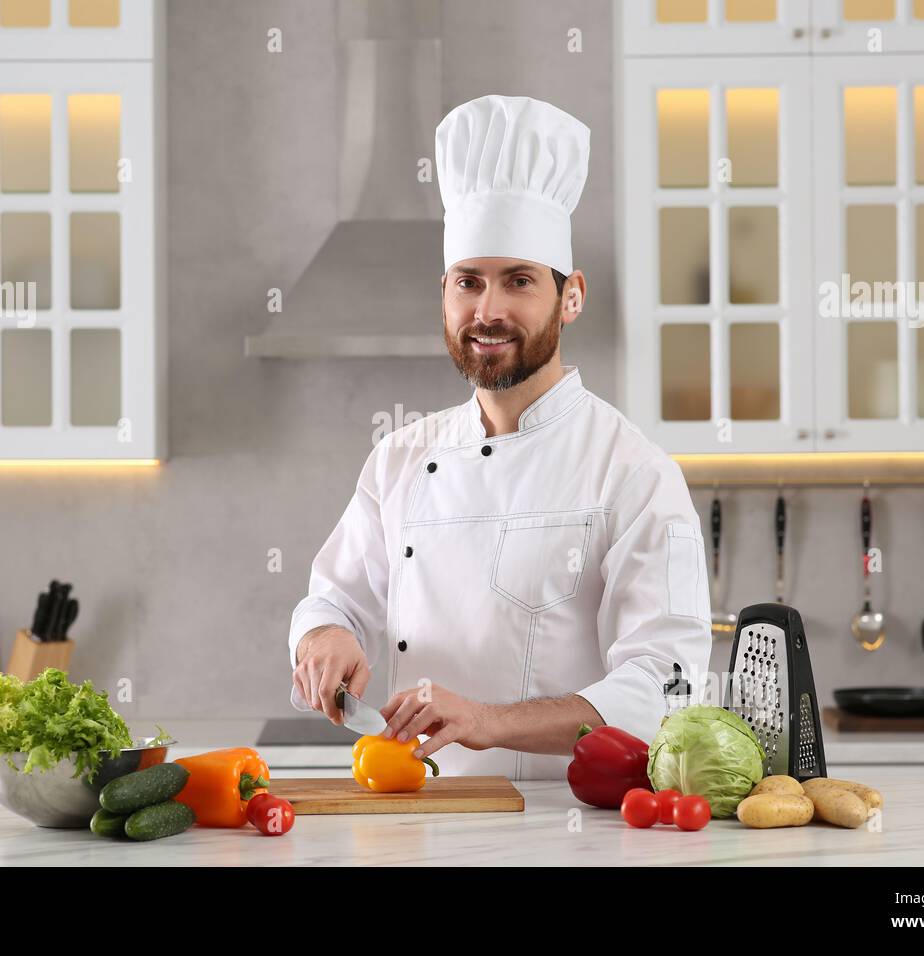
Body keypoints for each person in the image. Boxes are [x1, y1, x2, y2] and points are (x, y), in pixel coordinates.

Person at [288, 94, 711, 779]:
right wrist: (323, 635)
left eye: (518, 281)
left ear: (570, 295)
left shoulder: (634, 472)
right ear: (446, 293)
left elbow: (668, 686)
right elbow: (333, 598)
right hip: (413, 818)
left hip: (559, 831)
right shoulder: (399, 457)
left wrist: (487, 723)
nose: (488, 310)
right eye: (469, 283)